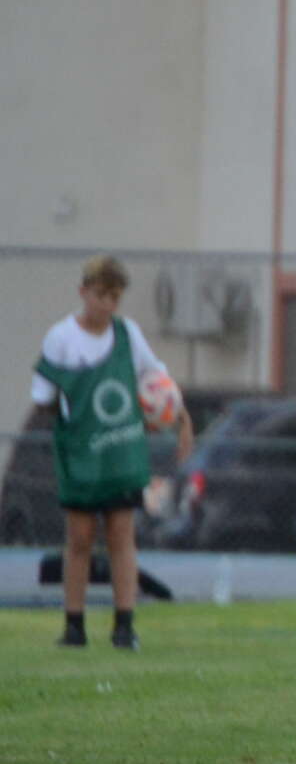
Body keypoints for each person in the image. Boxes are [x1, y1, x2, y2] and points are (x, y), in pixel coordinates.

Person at [27, 255, 190, 651]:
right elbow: (43, 397)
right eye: (100, 295)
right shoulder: (61, 338)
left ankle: (124, 625)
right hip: (82, 455)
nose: (107, 304)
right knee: (80, 538)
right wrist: (77, 412)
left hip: (121, 452)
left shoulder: (127, 334)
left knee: (121, 534)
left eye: (114, 298)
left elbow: (156, 378)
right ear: (83, 292)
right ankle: (74, 626)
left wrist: (181, 419)